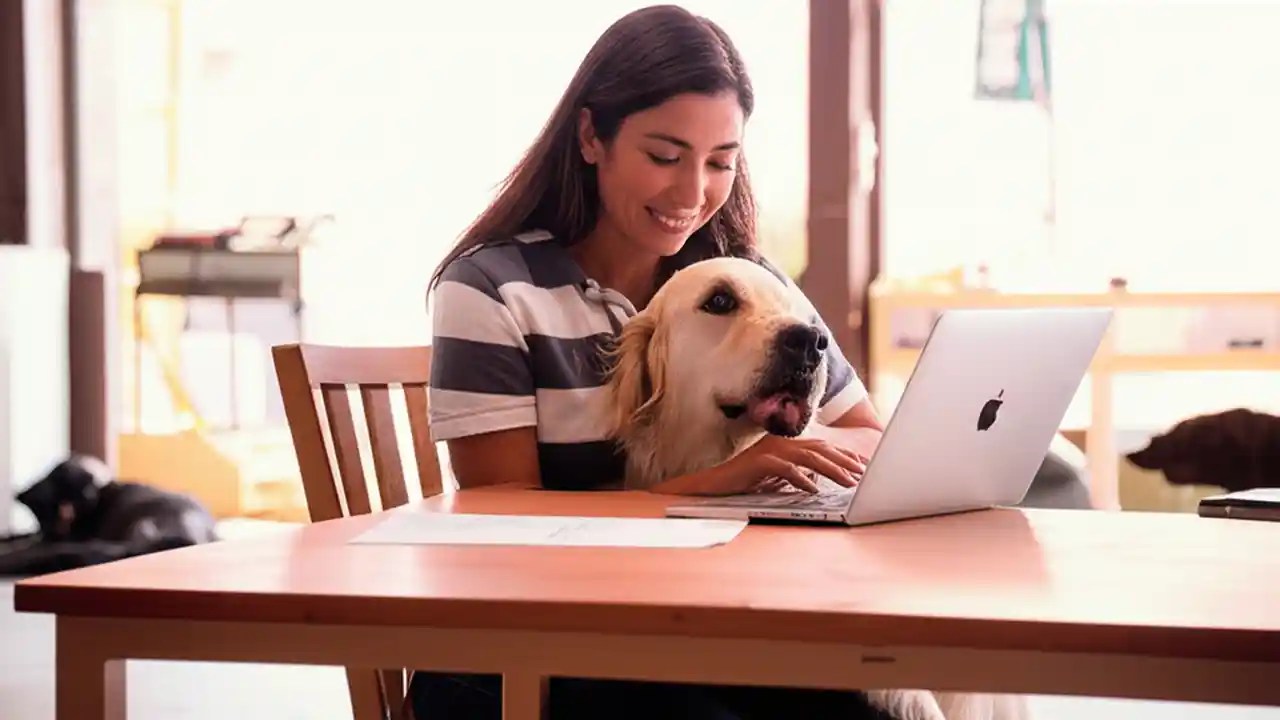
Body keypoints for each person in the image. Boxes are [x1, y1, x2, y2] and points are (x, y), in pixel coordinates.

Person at [413, 5, 888, 718]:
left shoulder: (750, 278)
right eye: (664, 156)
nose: (692, 193)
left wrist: (803, 450)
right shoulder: (490, 290)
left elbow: (867, 437)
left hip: (705, 625)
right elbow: (499, 519)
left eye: (721, 163)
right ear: (590, 136)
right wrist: (712, 489)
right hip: (519, 646)